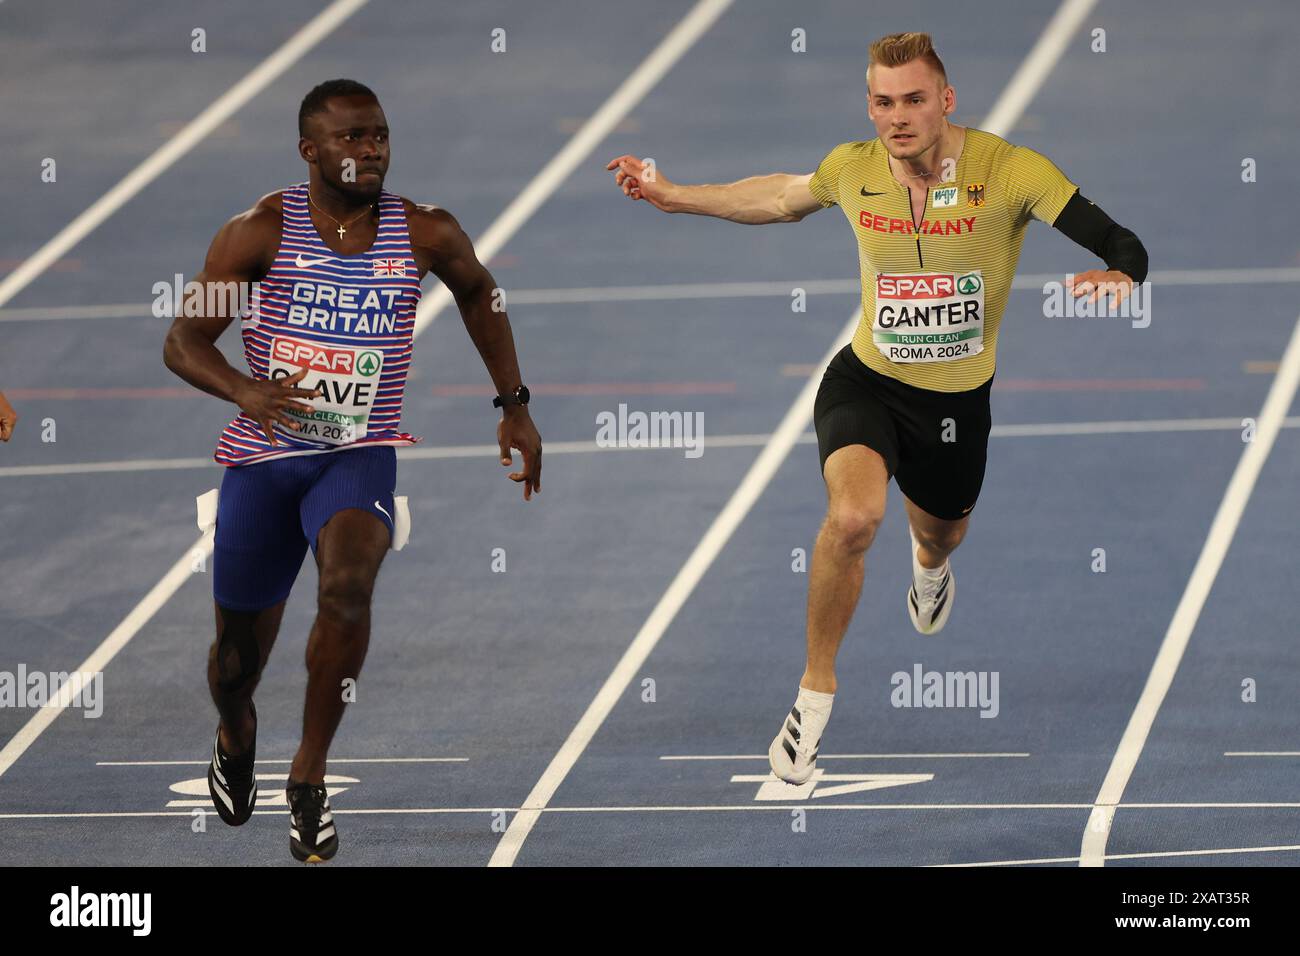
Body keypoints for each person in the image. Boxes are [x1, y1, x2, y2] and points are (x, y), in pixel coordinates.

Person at [605, 33, 1146, 785]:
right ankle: (812, 703)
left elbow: (1114, 235)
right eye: (884, 102)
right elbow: (775, 197)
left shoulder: (1011, 171)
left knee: (941, 531)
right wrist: (674, 195)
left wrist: (1122, 271)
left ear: (946, 100)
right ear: (870, 106)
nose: (899, 117)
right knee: (854, 519)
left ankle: (929, 567)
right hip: (868, 383)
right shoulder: (852, 168)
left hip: (956, 409)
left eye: (915, 100)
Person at [163, 79, 541, 861]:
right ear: (310, 151)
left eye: (378, 136)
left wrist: (514, 403)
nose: (369, 152)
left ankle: (309, 775)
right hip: (266, 458)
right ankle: (236, 735)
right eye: (350, 139)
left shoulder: (425, 231)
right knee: (236, 661)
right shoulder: (259, 233)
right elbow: (184, 342)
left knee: (347, 584)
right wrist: (245, 390)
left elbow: (481, 294)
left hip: (358, 450)